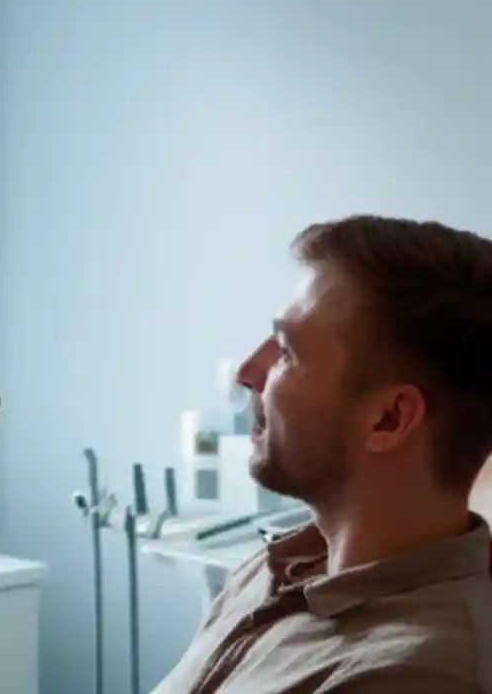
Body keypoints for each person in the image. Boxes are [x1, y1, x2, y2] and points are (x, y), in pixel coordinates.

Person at [154, 215, 492, 693]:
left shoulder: (412, 673)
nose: (249, 373)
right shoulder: (276, 567)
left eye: (287, 353)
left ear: (388, 420)